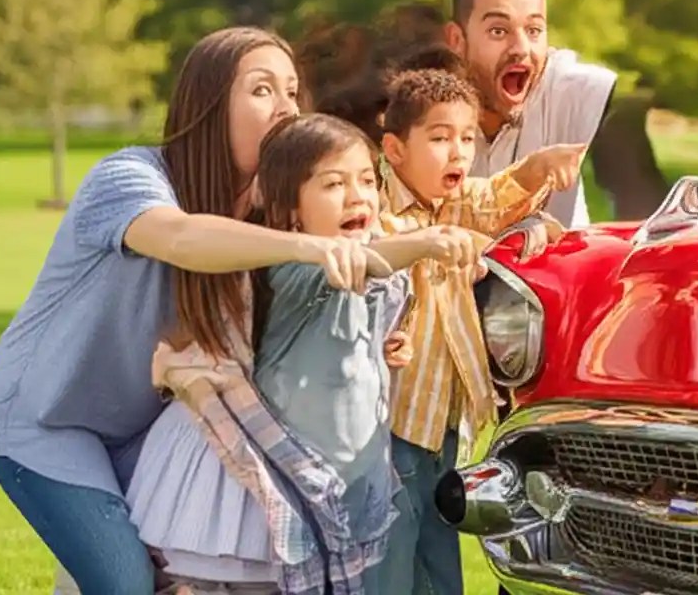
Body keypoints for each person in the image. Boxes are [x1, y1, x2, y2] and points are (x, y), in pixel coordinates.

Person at [0, 26, 380, 595]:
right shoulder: (129, 178)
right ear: (211, 105)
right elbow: (182, 239)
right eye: (262, 89)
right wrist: (304, 246)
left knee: (185, 575)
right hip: (45, 423)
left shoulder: (266, 212)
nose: (286, 106)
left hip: (150, 428)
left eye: (292, 90)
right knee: (125, 582)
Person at [125, 114, 478, 595]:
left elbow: (370, 282)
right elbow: (372, 261)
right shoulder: (295, 269)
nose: (358, 196)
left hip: (343, 485)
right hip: (283, 487)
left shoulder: (363, 267)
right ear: (290, 212)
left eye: (367, 181)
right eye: (334, 184)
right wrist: (424, 243)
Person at [365, 68, 585, 595]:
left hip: (444, 421)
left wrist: (537, 171)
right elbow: (387, 251)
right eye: (439, 139)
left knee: (442, 545)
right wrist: (461, 240)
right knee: (392, 550)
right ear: (394, 150)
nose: (458, 153)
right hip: (391, 423)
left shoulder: (456, 202)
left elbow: (495, 197)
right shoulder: (380, 216)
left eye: (467, 138)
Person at [445, 0, 619, 229]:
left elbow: (622, 105)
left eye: (534, 30)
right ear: (457, 40)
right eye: (498, 31)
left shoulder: (566, 89)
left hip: (562, 269)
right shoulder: (426, 110)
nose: (522, 48)